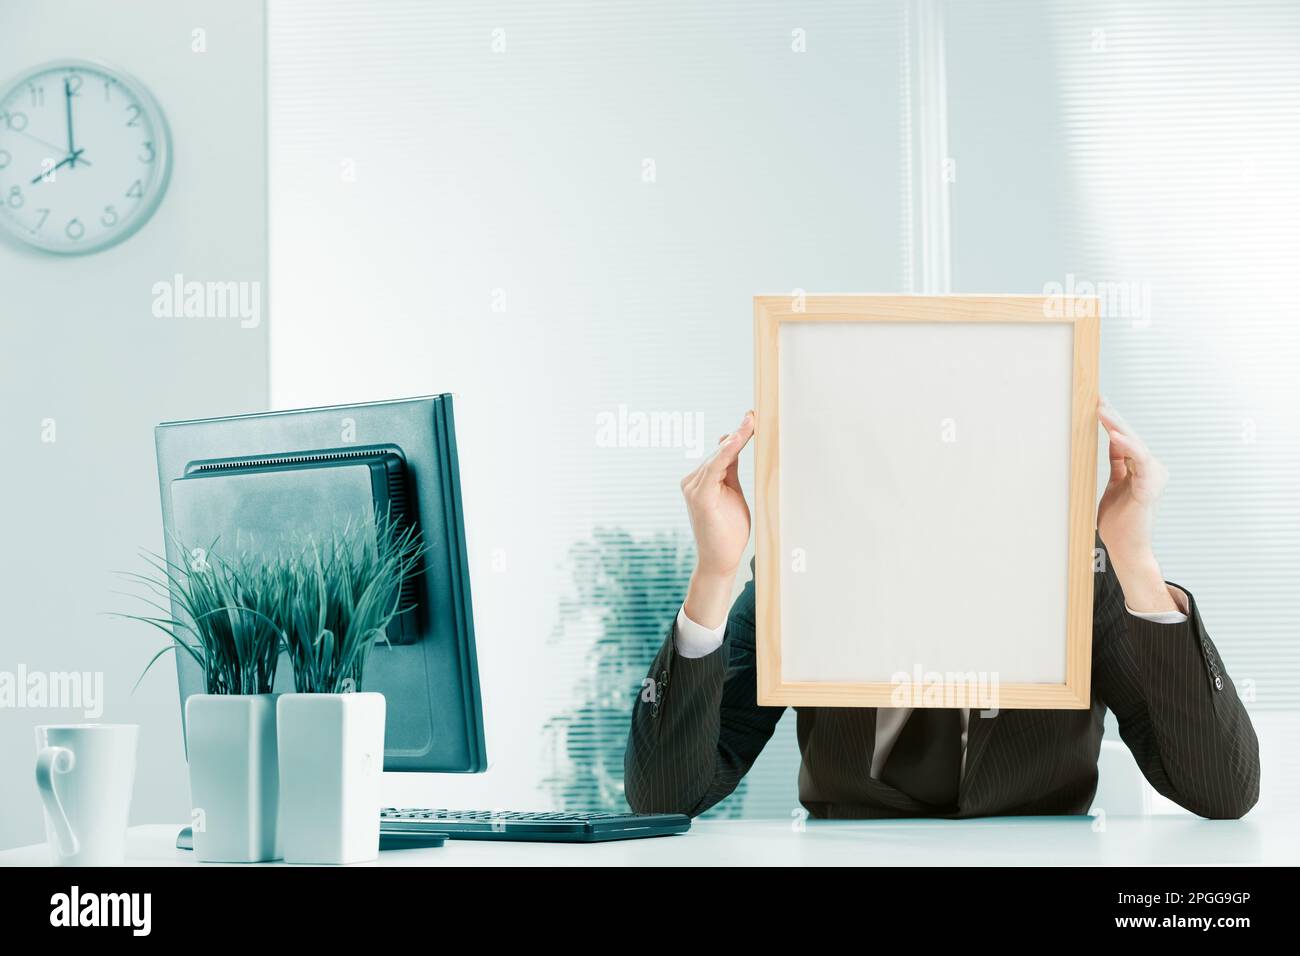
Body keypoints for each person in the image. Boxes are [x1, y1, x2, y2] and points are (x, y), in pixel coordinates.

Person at [624, 402, 1259, 819]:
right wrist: (714, 571)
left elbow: (1221, 791)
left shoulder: (1077, 583)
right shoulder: (803, 582)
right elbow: (666, 797)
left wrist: (1136, 562)